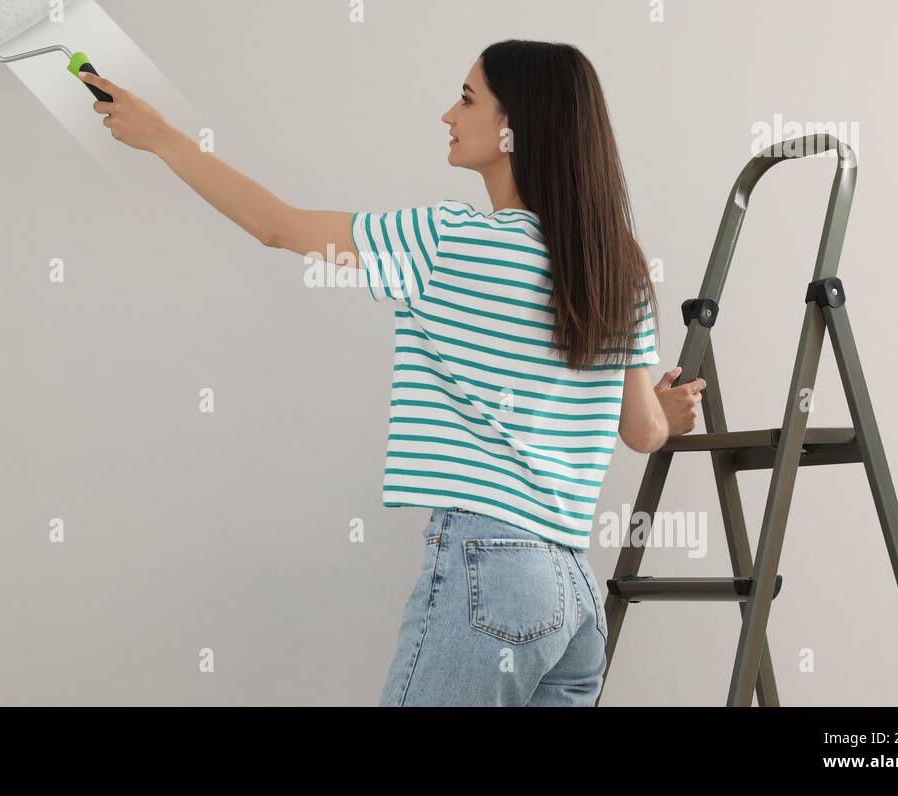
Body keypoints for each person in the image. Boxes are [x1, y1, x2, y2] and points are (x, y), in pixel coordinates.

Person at [77, 39, 705, 706]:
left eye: (466, 99)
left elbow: (279, 227)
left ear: (515, 125)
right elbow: (641, 430)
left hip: (489, 572)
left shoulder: (447, 242)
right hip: (572, 597)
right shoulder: (618, 265)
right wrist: (668, 414)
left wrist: (165, 139)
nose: (447, 116)